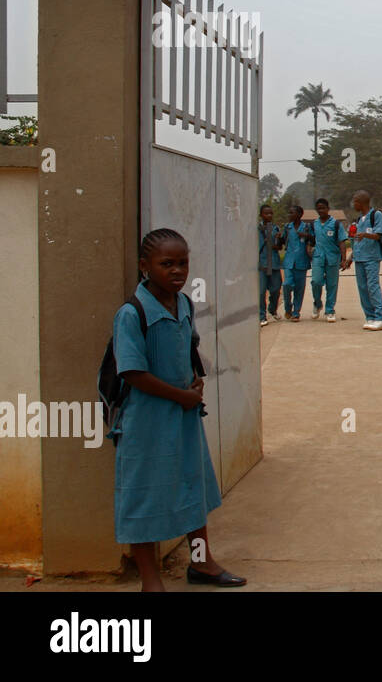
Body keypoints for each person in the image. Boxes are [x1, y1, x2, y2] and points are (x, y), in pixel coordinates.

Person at [113, 228, 245, 591]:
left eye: (183, 263)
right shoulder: (132, 313)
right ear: (145, 266)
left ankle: (201, 563)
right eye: (166, 264)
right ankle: (150, 581)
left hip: (183, 416)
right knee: (143, 496)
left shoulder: (183, 303)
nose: (177, 271)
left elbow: (188, 348)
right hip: (145, 421)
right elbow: (132, 371)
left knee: (192, 488)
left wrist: (195, 384)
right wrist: (178, 395)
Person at [342, 190, 382, 331]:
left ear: (361, 202)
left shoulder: (376, 215)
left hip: (372, 257)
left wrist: (366, 235)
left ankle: (380, 318)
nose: (353, 204)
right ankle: (370, 317)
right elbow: (356, 242)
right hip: (360, 258)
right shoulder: (359, 220)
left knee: (373, 286)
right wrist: (350, 258)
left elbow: (379, 235)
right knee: (362, 288)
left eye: (354, 201)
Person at [309, 198, 348, 322]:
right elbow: (310, 240)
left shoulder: (336, 224)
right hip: (318, 257)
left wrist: (343, 259)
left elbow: (342, 242)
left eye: (323, 208)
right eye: (318, 208)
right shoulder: (313, 224)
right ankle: (317, 303)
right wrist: (309, 250)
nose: (321, 210)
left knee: (332, 285)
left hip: (332, 258)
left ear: (328, 208)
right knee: (316, 281)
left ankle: (330, 310)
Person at [281, 204, 312, 322]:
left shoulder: (306, 227)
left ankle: (296, 312)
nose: (289, 215)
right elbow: (282, 241)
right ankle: (288, 307)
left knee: (299, 288)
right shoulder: (287, 228)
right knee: (287, 284)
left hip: (301, 261)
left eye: (291, 213)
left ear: (299, 215)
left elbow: (313, 240)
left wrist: (307, 235)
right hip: (289, 261)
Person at [257, 204, 283, 327]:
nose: (269, 215)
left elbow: (279, 247)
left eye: (271, 213)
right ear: (261, 215)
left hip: (274, 264)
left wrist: (278, 241)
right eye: (266, 213)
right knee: (261, 292)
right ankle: (261, 315)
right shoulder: (256, 229)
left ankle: (272, 309)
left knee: (275, 290)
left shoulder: (276, 228)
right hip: (261, 265)